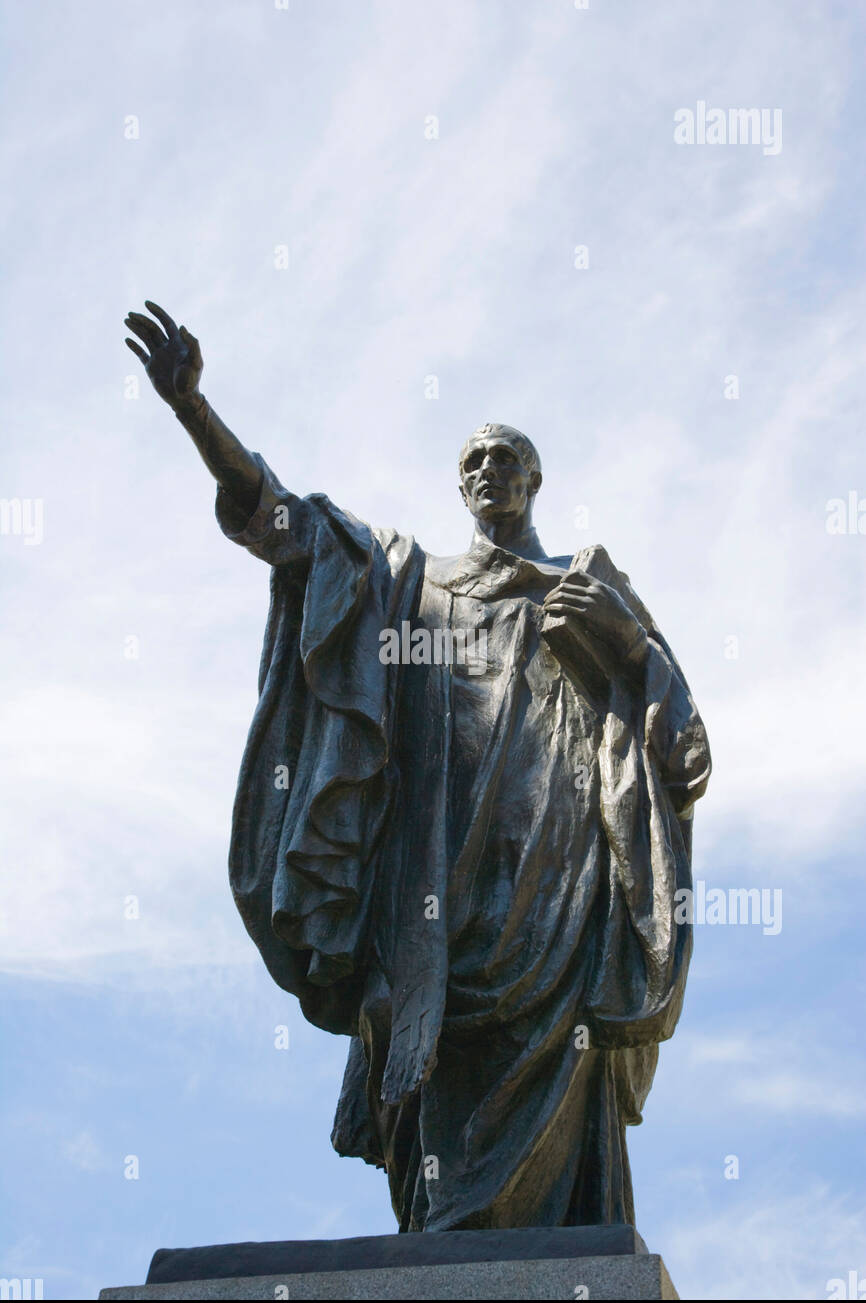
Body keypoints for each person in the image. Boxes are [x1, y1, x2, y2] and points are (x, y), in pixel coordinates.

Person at [125, 302, 711, 1232]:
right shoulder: (406, 584)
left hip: (557, 909)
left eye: (505, 456)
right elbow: (289, 527)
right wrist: (197, 414)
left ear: (536, 478)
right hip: (430, 904)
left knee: (560, 1180)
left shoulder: (583, 587)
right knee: (428, 1129)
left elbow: (679, 749)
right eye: (473, 459)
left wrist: (630, 645)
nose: (488, 470)